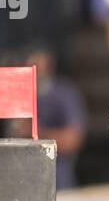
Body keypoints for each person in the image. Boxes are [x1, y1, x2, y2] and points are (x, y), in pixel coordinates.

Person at [26, 48, 87, 190]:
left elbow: (74, 139)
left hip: (58, 179)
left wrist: (37, 135)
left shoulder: (64, 93)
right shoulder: (18, 95)